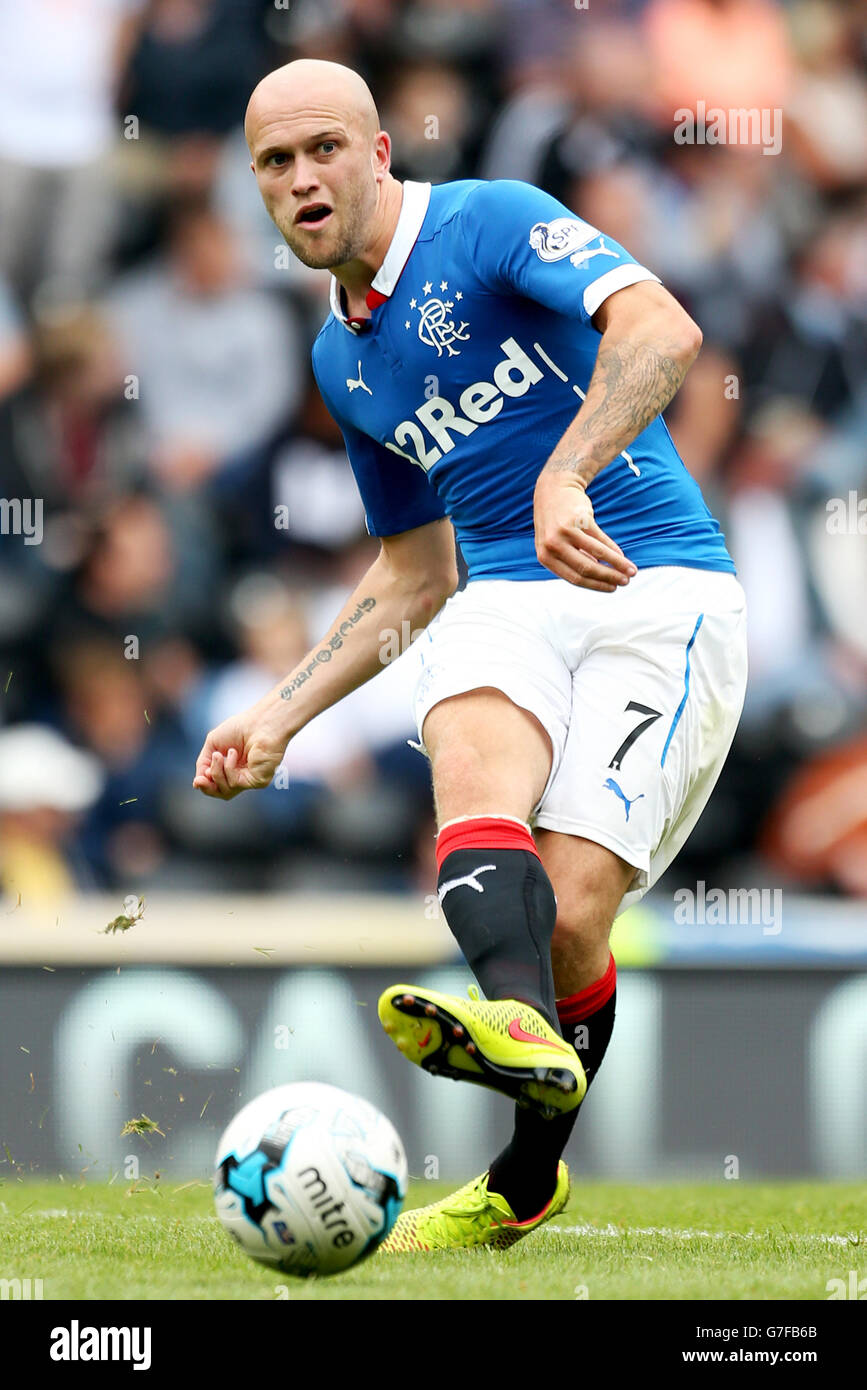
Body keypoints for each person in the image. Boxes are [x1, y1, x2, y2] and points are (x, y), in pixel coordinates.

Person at [193, 59, 748, 1252]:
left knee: (571, 922)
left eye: (324, 149)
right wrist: (283, 714)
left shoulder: (489, 219)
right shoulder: (340, 364)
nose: (303, 179)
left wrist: (566, 471)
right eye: (275, 164)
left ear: (380, 151)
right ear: (258, 186)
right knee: (469, 753)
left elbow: (665, 328)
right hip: (503, 593)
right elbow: (416, 570)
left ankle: (525, 1173)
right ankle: (515, 1026)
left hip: (657, 587)